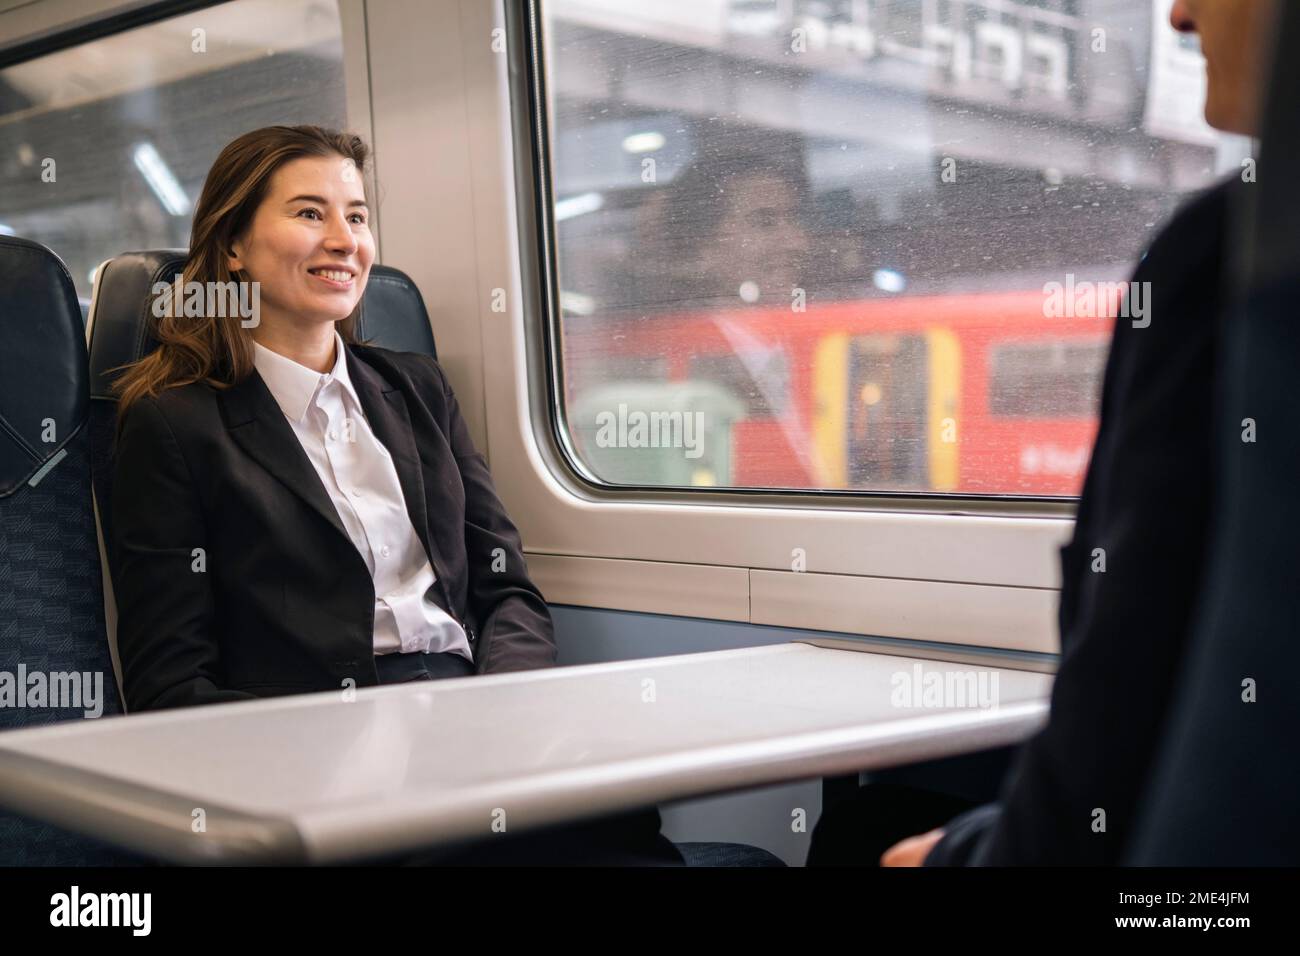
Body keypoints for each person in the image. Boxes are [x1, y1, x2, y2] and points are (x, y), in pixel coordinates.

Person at [108, 125, 680, 864]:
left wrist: (505, 706)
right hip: (322, 749)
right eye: (310, 213)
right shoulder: (175, 421)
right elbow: (170, 682)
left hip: (472, 712)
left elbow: (508, 591)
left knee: (628, 828)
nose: (344, 239)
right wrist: (349, 747)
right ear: (233, 248)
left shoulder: (417, 388)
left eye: (357, 215)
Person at [808, 0, 1278, 866]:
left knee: (861, 842)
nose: (1176, 15)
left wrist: (961, 858)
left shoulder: (1230, 260)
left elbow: (1124, 713)